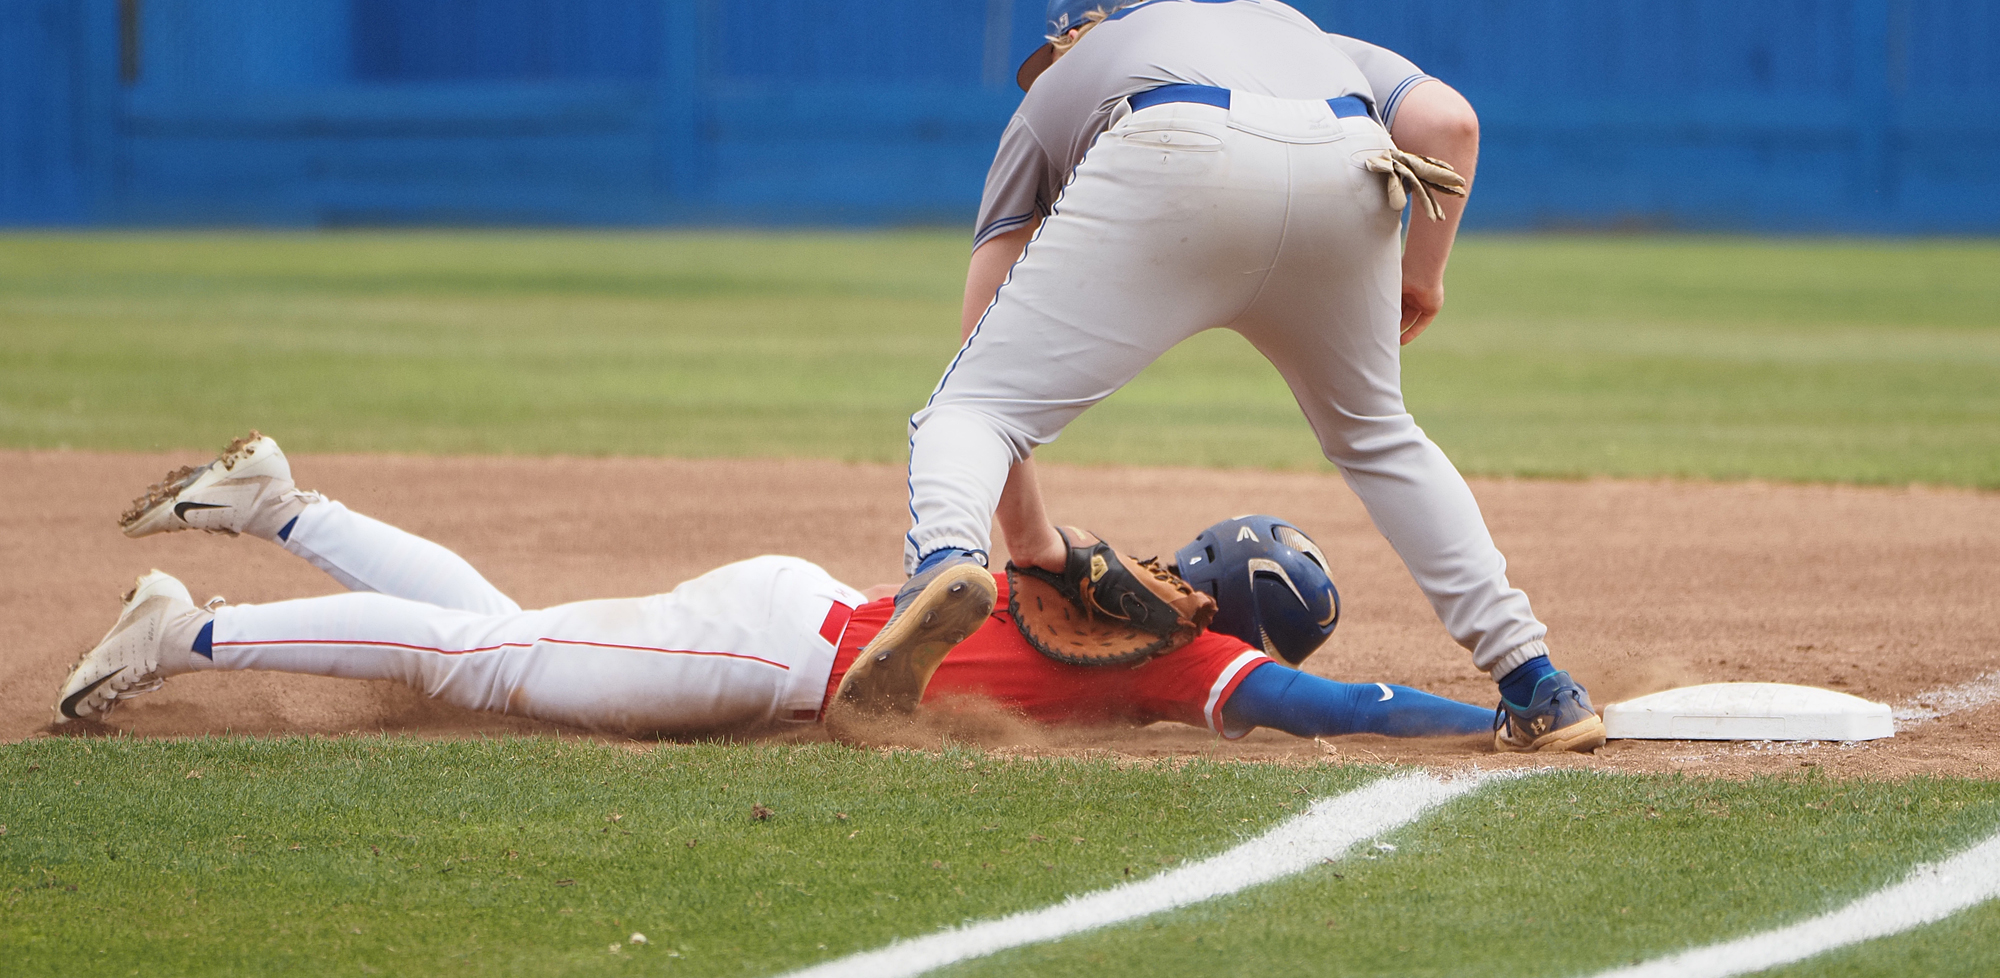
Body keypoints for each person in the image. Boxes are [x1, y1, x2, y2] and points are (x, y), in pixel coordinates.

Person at [830, 0, 1603, 754]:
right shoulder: (1293, 31)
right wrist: (1423, 273)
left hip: (1169, 146)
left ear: (1071, 40)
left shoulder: (1062, 85)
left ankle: (942, 562)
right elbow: (1450, 124)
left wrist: (1028, 547)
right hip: (1348, 153)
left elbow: (982, 335)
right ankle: (1536, 684)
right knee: (1377, 434)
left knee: (970, 409)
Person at [55, 434, 1492, 743]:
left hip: (791, 608)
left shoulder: (1107, 588)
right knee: (486, 660)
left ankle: (283, 503)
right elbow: (1332, 698)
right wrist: (1487, 716)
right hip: (773, 663)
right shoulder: (1190, 664)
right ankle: (189, 631)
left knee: (495, 633)